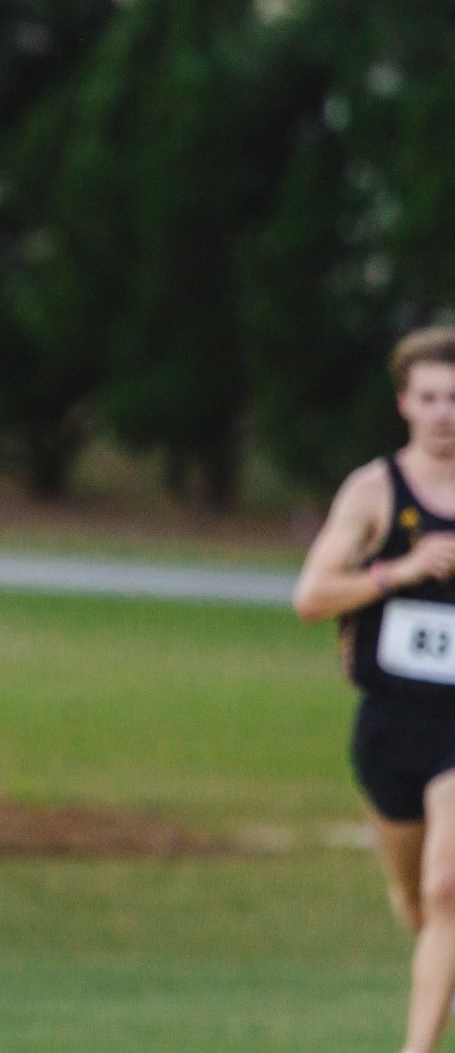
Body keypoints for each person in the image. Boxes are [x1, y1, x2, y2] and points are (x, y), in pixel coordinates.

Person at [294, 327, 455, 1053]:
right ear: (403, 403)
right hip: (390, 722)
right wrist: (403, 568)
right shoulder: (372, 491)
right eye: (428, 397)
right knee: (416, 902)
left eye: (454, 397)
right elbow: (310, 597)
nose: (443, 412)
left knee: (448, 884)